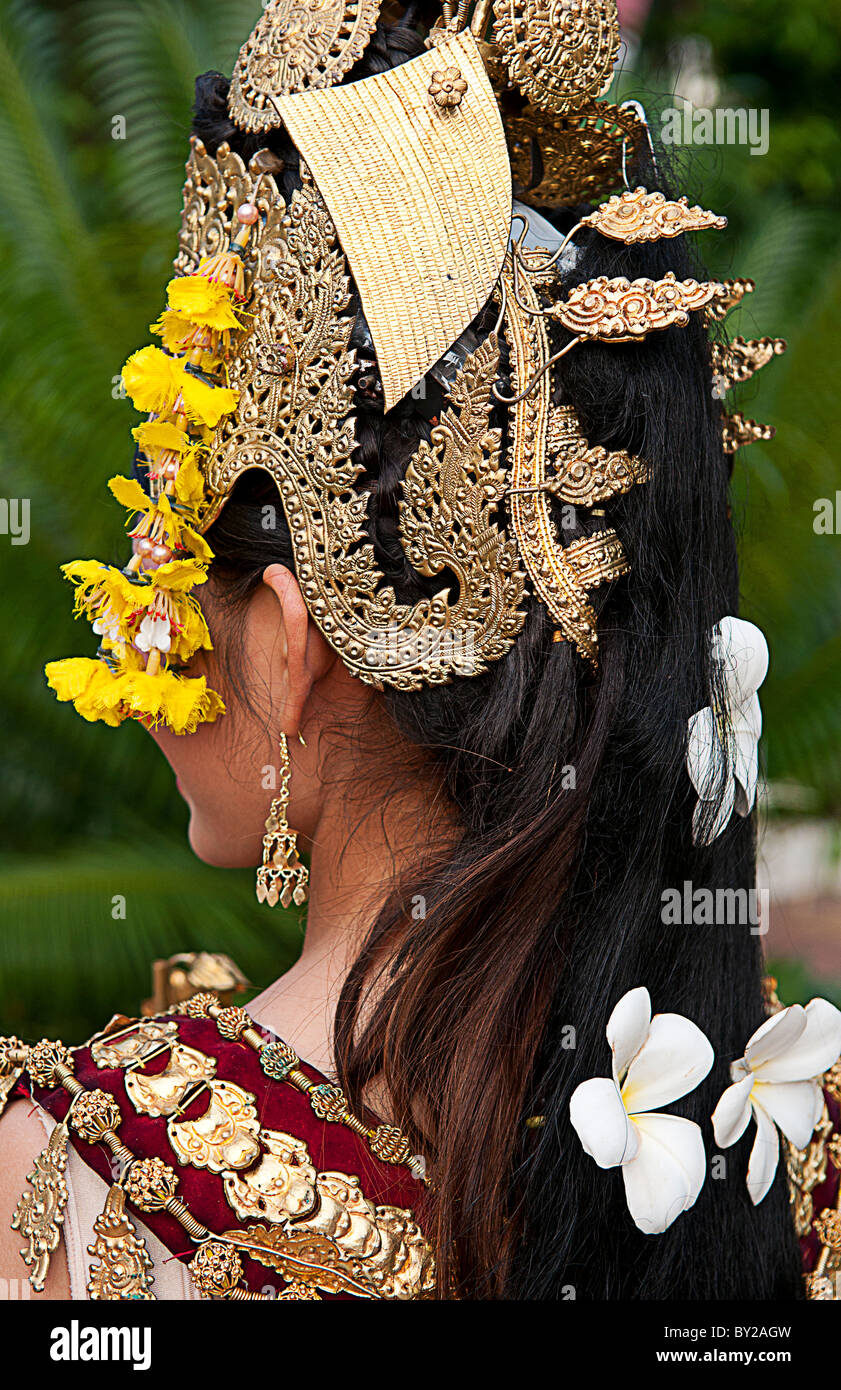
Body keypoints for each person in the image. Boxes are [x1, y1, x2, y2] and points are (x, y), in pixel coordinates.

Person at [1, 1, 839, 1302]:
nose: (140, 692)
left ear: (289, 646)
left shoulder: (85, 1177)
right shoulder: (794, 1135)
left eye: (159, 605)